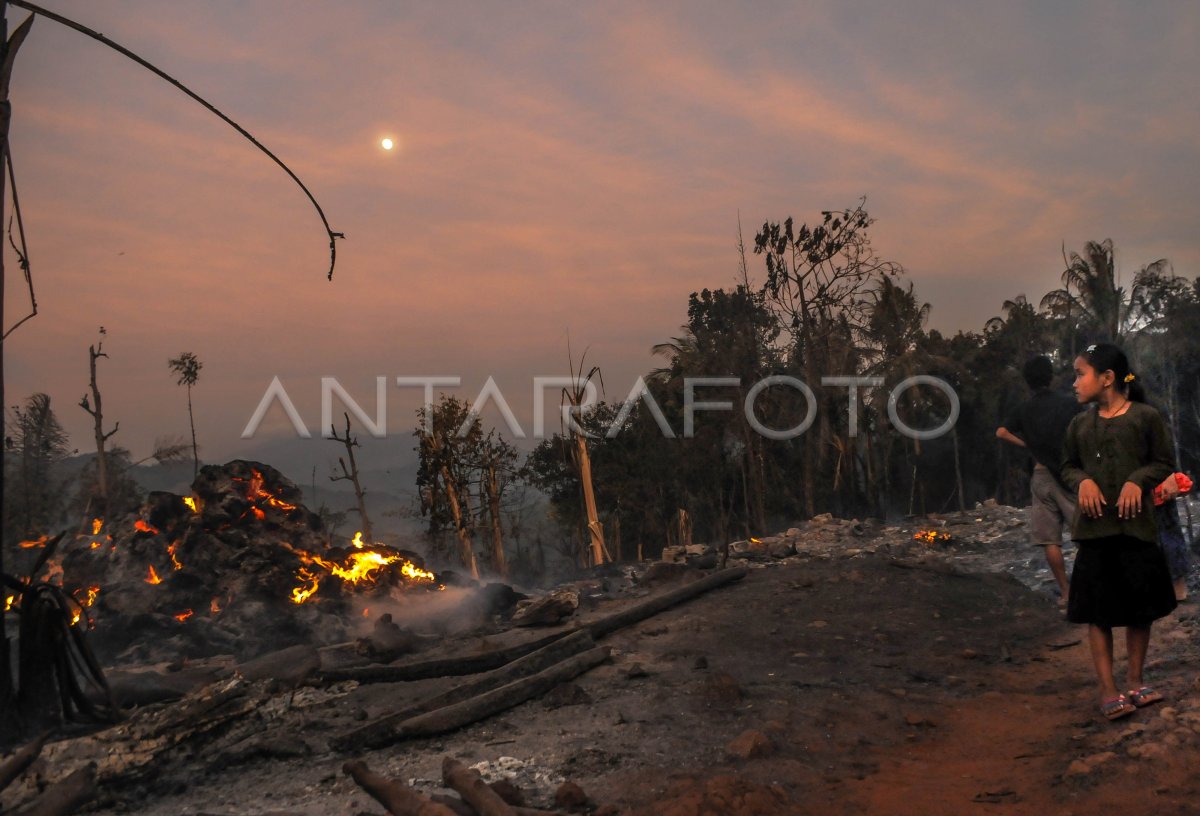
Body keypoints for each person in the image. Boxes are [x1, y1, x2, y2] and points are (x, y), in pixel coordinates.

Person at [1061, 343, 1177, 721]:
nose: (1075, 383)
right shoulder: (1079, 425)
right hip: (1095, 533)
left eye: (1080, 374)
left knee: (1139, 607)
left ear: (1107, 378)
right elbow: (1067, 466)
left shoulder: (1146, 418)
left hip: (1136, 530)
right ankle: (1108, 688)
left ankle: (1136, 680)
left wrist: (1136, 481)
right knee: (1099, 612)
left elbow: (1163, 463)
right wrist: (1083, 483)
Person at [996, 356, 1082, 605]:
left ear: (1027, 382)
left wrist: (1028, 444)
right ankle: (1090, 587)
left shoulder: (1024, 409)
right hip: (1069, 473)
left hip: (1041, 474)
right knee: (1084, 534)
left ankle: (1066, 593)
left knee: (1050, 539)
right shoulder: (1069, 404)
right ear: (1051, 376)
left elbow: (1001, 431)